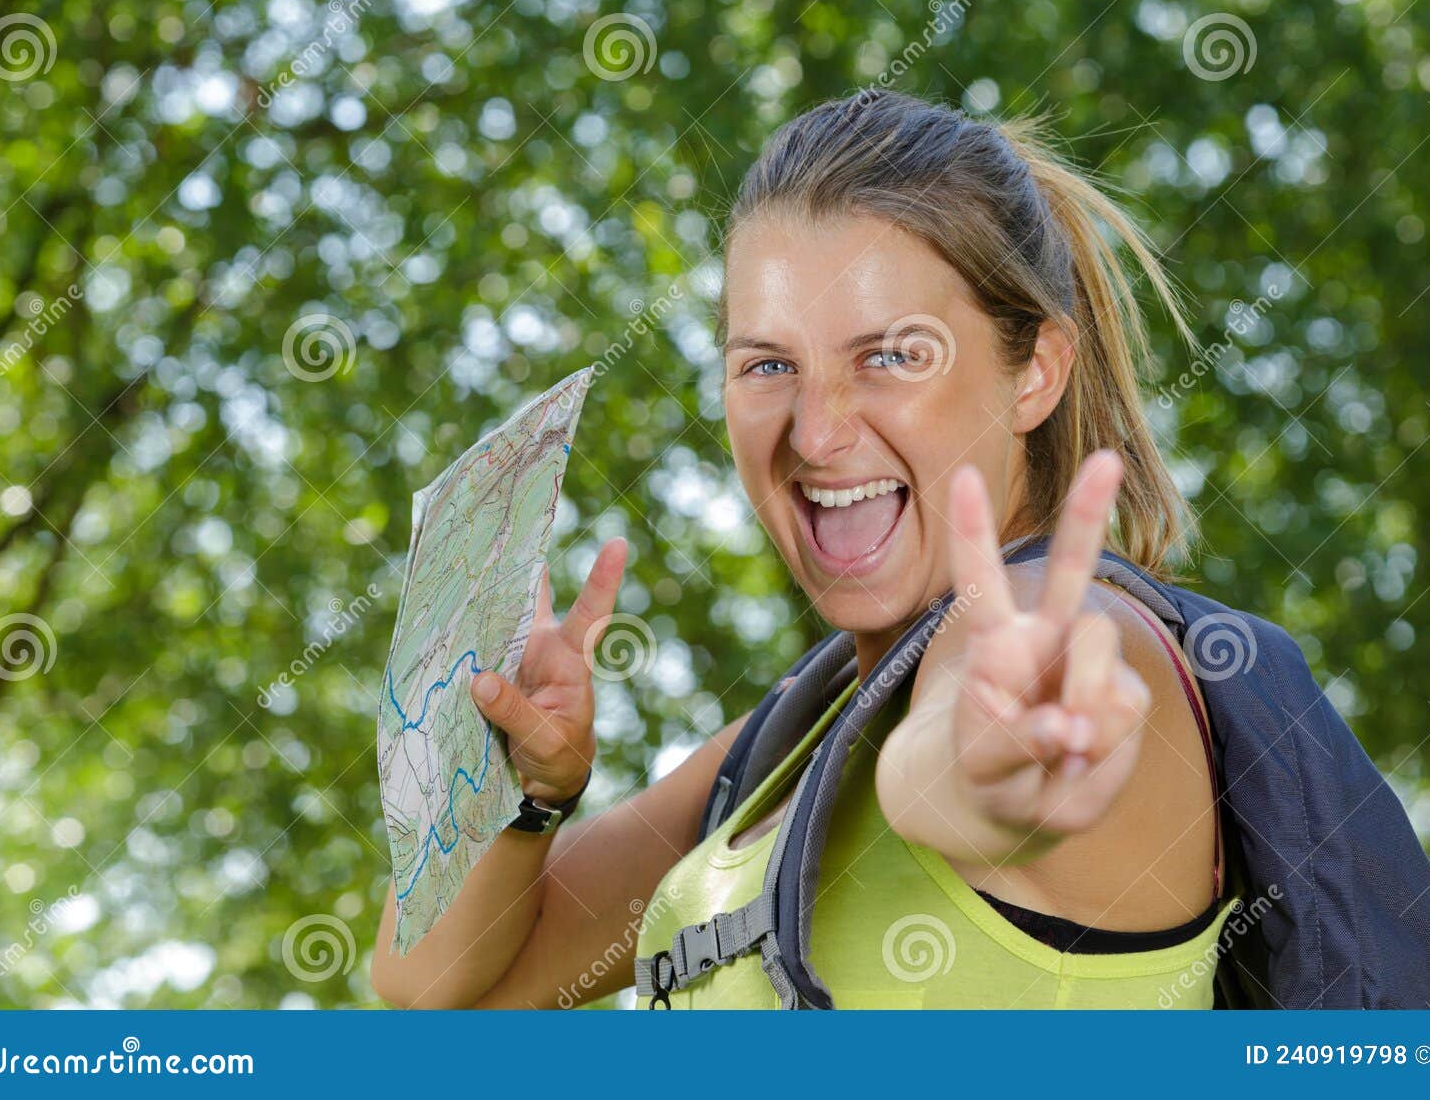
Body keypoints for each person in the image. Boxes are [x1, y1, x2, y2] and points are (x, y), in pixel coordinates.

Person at [372, 89, 1239, 1009]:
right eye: (769, 365)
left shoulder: (1056, 640)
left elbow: (941, 770)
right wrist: (525, 791)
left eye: (895, 355)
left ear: (1035, 374)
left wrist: (994, 760)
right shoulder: (783, 745)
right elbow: (430, 989)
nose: (816, 434)